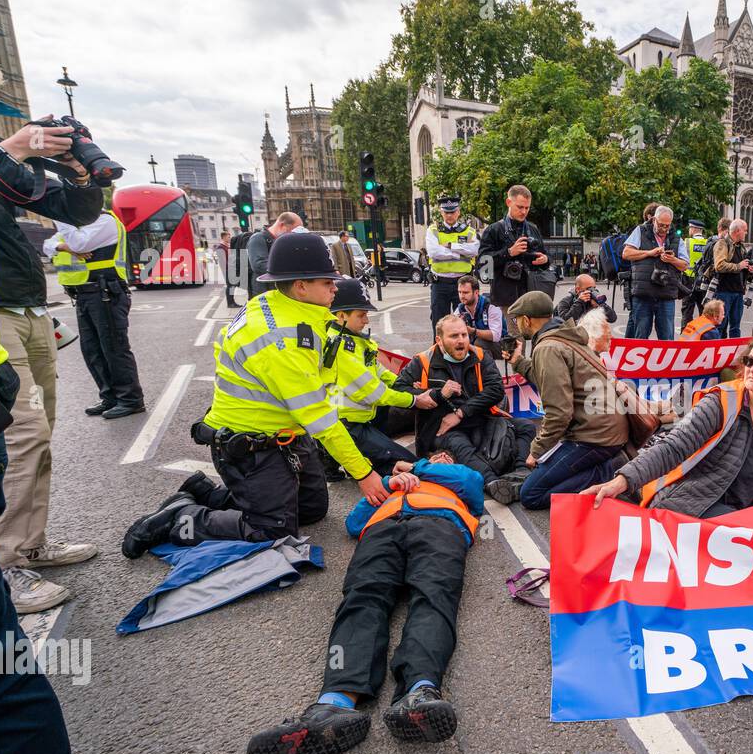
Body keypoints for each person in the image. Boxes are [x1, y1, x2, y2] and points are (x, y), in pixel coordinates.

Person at [122, 234, 389, 556]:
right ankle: (181, 518)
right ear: (301, 286)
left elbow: (319, 384)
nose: (335, 287)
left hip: (287, 434)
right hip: (250, 446)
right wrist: (364, 473)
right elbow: (318, 416)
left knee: (312, 511)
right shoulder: (282, 339)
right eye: (327, 281)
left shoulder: (280, 305)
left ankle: (205, 492)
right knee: (270, 530)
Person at [246, 453, 483, 754]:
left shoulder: (458, 481)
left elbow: (473, 483)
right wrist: (388, 482)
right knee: (361, 599)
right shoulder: (393, 486)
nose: (439, 458)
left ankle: (419, 693)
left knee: (433, 597)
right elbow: (354, 523)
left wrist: (418, 468)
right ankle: (333, 705)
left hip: (441, 525)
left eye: (445, 458)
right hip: (380, 531)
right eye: (433, 456)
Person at [0, 118, 104, 613]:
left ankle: (29, 544)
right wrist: (12, 149)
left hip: (30, 309)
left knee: (41, 432)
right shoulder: (0, 156)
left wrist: (81, 175)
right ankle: (5, 563)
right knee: (22, 433)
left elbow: (73, 212)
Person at [584, 334, 753, 517]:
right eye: (749, 361)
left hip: (742, 512)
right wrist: (622, 481)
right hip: (690, 504)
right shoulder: (720, 402)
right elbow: (673, 447)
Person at [505, 291, 628, 509]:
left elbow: (559, 413)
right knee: (549, 475)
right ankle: (602, 465)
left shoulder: (547, 347)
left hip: (594, 438)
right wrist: (519, 362)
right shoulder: (563, 336)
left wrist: (537, 450)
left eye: (517, 320)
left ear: (527, 320)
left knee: (531, 494)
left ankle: (606, 470)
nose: (517, 326)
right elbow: (549, 380)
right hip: (607, 431)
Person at [393, 315, 534, 500]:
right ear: (439, 340)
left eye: (464, 335)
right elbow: (397, 391)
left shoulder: (481, 356)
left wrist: (461, 413)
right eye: (454, 336)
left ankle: (521, 469)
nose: (461, 340)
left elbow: (496, 390)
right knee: (459, 443)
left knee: (526, 426)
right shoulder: (422, 361)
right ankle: (493, 484)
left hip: (475, 419)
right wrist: (438, 394)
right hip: (439, 429)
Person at [44, 208, 145, 421]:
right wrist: (62, 246)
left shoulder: (104, 221)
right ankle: (110, 397)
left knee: (114, 348)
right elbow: (48, 246)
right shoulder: (77, 228)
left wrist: (61, 216)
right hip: (84, 294)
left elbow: (81, 245)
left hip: (105, 292)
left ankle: (130, 399)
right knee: (92, 350)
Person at [324, 279, 425, 475]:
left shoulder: (352, 339)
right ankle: (330, 454)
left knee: (390, 462)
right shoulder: (338, 349)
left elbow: (379, 371)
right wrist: (414, 399)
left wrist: (405, 384)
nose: (367, 320)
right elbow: (373, 392)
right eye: (361, 315)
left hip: (362, 419)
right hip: (347, 426)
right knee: (410, 465)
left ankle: (338, 457)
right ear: (341, 315)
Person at [477, 185, 550, 317]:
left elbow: (545, 256)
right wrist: (509, 252)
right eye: (520, 207)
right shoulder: (494, 230)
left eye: (527, 208)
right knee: (513, 337)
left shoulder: (532, 229)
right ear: (508, 202)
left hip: (531, 295)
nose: (524, 212)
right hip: (505, 299)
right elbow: (483, 265)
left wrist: (545, 260)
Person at [622, 205, 689, 340]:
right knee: (640, 337)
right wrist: (649, 253)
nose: (664, 229)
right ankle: (638, 361)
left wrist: (672, 260)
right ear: (653, 220)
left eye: (667, 225)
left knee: (667, 339)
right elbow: (626, 253)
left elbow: (684, 266)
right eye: (661, 225)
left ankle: (666, 361)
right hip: (643, 294)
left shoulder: (676, 238)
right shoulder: (640, 231)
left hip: (666, 294)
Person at [425, 195, 481, 336]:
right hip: (440, 283)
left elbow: (474, 250)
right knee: (438, 323)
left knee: (464, 322)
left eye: (453, 212)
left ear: (458, 212)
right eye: (446, 212)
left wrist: (450, 245)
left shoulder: (469, 231)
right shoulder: (433, 230)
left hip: (463, 284)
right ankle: (438, 353)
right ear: (441, 212)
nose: (449, 215)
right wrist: (460, 252)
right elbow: (433, 252)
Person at [711, 219, 753, 339]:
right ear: (737, 231)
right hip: (724, 291)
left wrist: (747, 268)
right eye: (745, 231)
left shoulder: (740, 247)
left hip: (738, 291)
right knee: (720, 325)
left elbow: (741, 265)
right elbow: (719, 265)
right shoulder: (722, 243)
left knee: (735, 326)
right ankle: (717, 352)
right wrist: (739, 266)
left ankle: (734, 353)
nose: (746, 233)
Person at [246, 211, 303, 298]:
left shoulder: (281, 241)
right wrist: (290, 270)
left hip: (279, 292)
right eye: (292, 231)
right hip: (264, 293)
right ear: (282, 225)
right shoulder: (258, 238)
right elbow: (259, 265)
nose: (293, 235)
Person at [685, 218, 730, 328]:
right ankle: (703, 335)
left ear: (693, 228)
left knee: (687, 311)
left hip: (689, 279)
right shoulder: (709, 242)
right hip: (705, 279)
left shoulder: (687, 242)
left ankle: (685, 336)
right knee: (704, 310)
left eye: (690, 228)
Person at [455, 273, 504, 361]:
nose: (462, 296)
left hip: (502, 345)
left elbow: (496, 336)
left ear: (476, 292)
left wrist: (473, 331)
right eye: (459, 292)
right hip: (476, 342)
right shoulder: (460, 309)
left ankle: (489, 372)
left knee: (479, 344)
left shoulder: (491, 306)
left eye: (466, 292)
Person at [217, 231, 241, 308]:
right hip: (227, 270)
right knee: (230, 286)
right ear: (223, 237)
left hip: (231, 268)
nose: (229, 238)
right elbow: (223, 261)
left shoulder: (227, 246)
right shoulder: (221, 247)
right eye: (228, 237)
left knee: (232, 286)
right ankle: (230, 303)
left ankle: (232, 302)